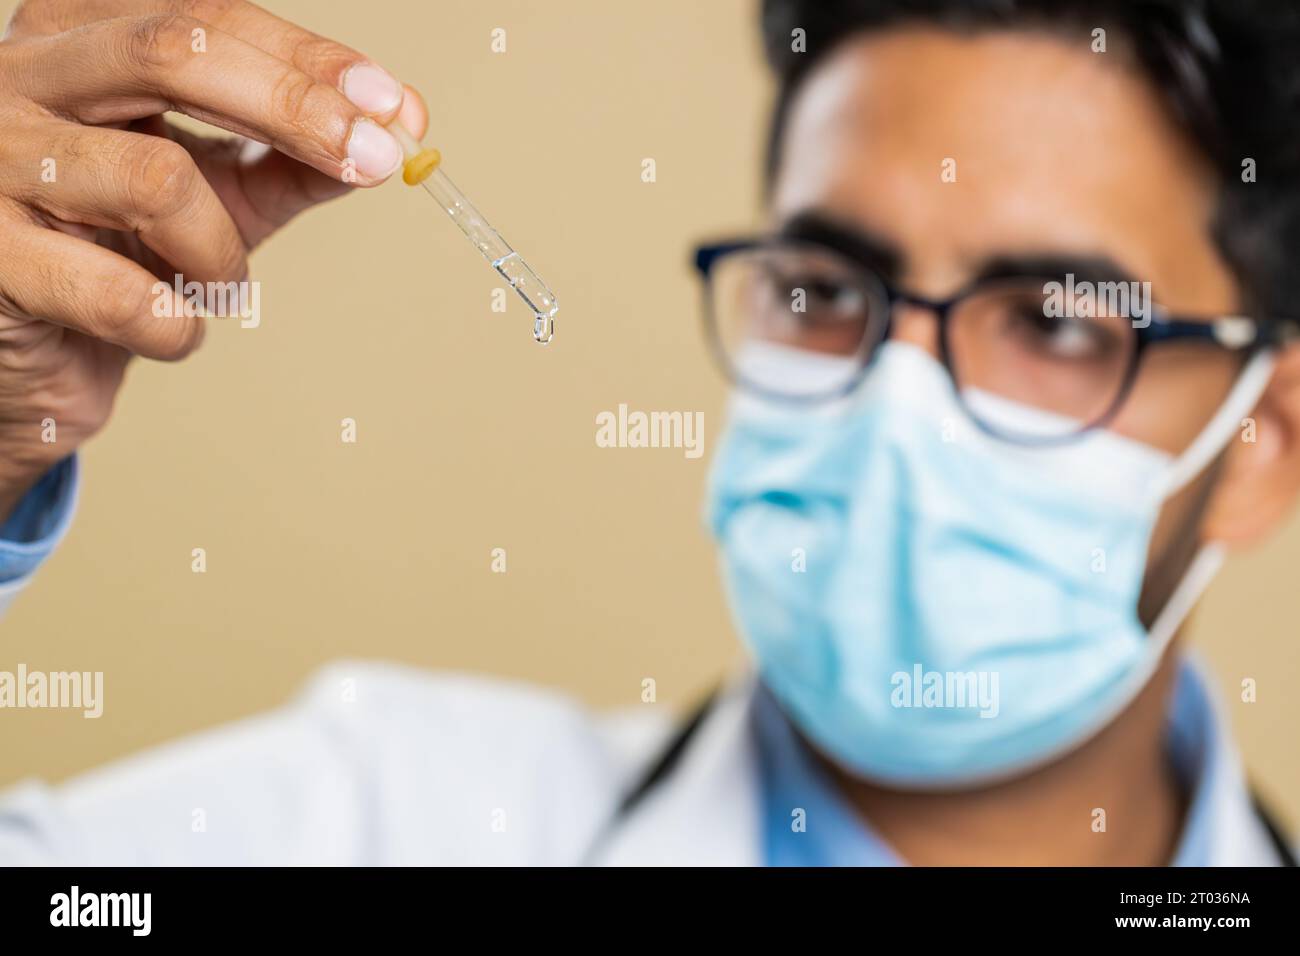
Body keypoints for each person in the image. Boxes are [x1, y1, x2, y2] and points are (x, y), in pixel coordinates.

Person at [0, 0, 1297, 866]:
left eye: (1059, 324)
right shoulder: (389, 817)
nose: (892, 405)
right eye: (824, 294)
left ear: (1265, 443)